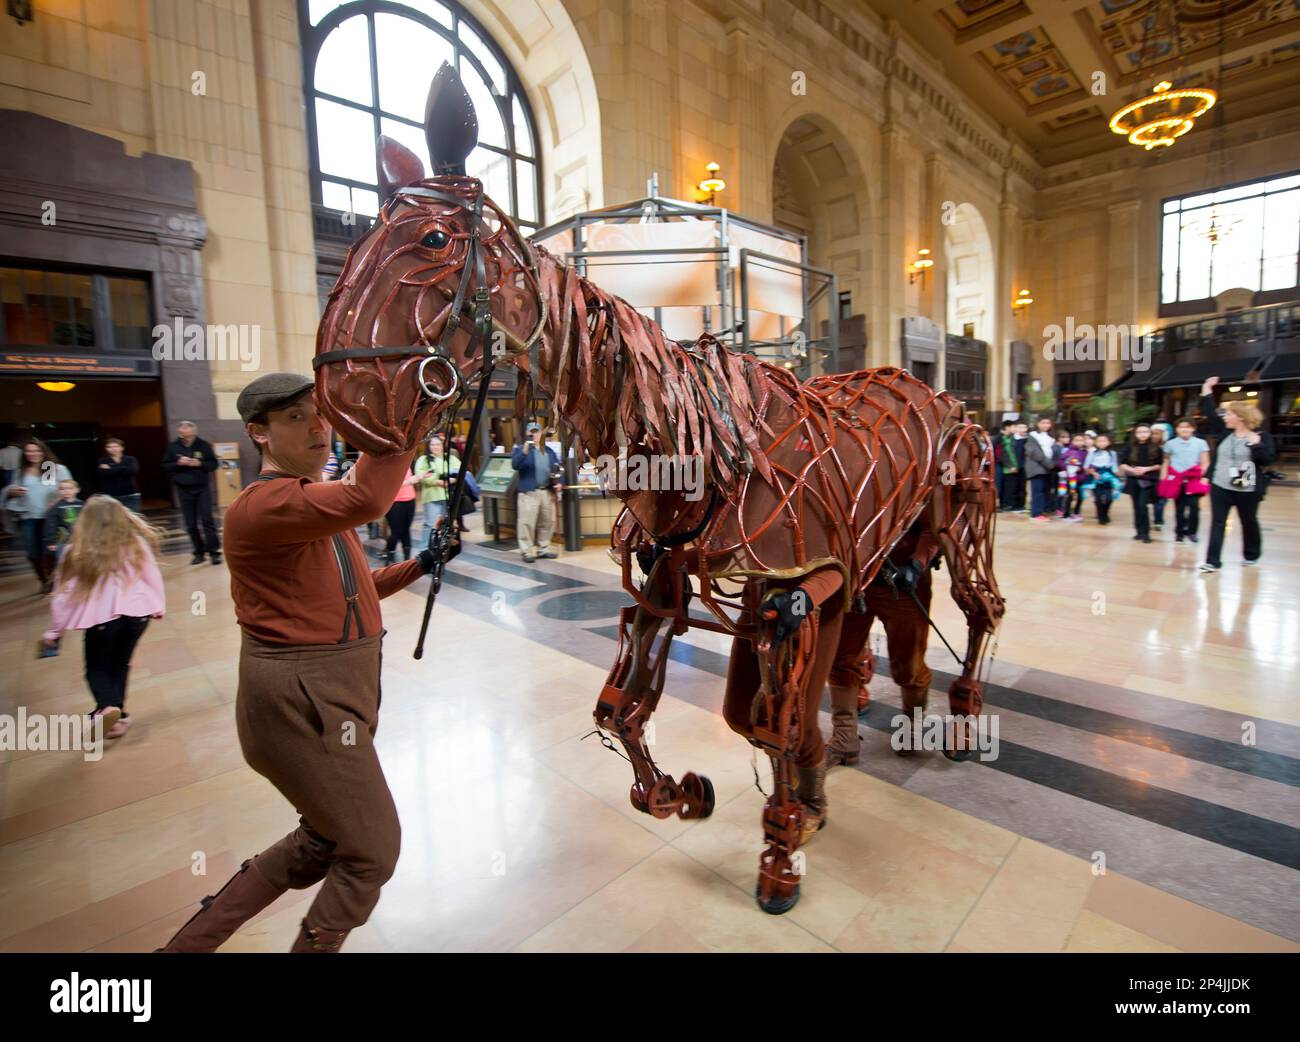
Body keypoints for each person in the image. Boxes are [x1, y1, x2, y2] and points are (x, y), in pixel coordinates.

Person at [160, 373, 441, 954]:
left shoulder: (308, 501)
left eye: (321, 414)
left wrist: (421, 564)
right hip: (301, 700)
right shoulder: (265, 504)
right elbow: (368, 498)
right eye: (295, 417)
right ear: (258, 433)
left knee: (321, 841)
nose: (318, 427)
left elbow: (354, 589)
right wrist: (409, 412)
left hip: (333, 694)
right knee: (372, 851)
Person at [41, 495, 164, 741]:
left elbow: (62, 596)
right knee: (120, 663)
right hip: (138, 615)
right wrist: (158, 605)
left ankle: (107, 707)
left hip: (102, 620)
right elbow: (153, 576)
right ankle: (119, 715)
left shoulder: (75, 551)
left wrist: (55, 631)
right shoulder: (135, 543)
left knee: (96, 668)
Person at [822, 520, 940, 768]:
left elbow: (935, 525)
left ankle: (911, 723)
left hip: (902, 580)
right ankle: (844, 737)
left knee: (909, 666)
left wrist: (917, 563)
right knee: (841, 659)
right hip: (853, 578)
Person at [1197, 377, 1277, 573]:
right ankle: (1212, 561)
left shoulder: (1262, 437)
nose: (1225, 416)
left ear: (1240, 417)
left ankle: (1251, 555)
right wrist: (1206, 389)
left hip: (1247, 487)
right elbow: (1210, 413)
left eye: (1229, 413)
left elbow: (1267, 460)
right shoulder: (1224, 433)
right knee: (1218, 522)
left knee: (1248, 521)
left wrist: (1255, 444)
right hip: (1220, 485)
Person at [3, 439, 72, 590]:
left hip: (51, 517)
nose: (33, 454)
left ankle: (53, 581)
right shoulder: (21, 471)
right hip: (29, 516)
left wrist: (57, 500)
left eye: (37, 450)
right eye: (29, 451)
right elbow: (12, 489)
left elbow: (64, 488)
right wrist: (13, 492)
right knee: (33, 552)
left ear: (43, 451)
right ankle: (43, 579)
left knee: (51, 551)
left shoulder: (50, 467)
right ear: (24, 453)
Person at [163, 421, 221, 565]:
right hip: (183, 489)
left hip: (202, 488)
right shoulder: (173, 446)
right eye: (181, 430)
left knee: (207, 520)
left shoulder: (203, 445)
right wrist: (178, 463)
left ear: (194, 432)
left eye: (186, 430)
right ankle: (199, 552)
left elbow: (213, 464)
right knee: (190, 523)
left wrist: (200, 463)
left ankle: (214, 552)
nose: (184, 433)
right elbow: (165, 466)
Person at [512, 421, 560, 562]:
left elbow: (557, 468)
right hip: (529, 493)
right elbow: (515, 465)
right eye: (531, 432)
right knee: (526, 522)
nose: (534, 435)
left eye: (536, 432)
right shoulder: (521, 449)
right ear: (527, 434)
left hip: (546, 491)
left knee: (548, 521)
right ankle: (526, 551)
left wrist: (559, 482)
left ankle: (543, 548)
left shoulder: (549, 451)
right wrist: (524, 452)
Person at [1159, 418, 1210, 544]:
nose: (1184, 429)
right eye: (1181, 427)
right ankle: (1179, 532)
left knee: (1194, 506)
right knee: (1179, 507)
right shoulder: (1170, 443)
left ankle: (1192, 532)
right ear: (1176, 429)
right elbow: (1166, 461)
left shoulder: (1201, 443)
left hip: (1193, 478)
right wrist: (1163, 479)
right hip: (1177, 478)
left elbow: (1205, 462)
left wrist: (1204, 477)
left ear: (1193, 428)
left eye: (1187, 426)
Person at [1119, 424, 1160, 543]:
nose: (1142, 434)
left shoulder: (1155, 448)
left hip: (1148, 480)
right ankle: (1138, 531)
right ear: (1135, 434)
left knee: (1143, 505)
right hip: (1133, 480)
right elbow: (1122, 463)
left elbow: (1159, 464)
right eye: (1139, 432)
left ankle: (1146, 533)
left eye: (1145, 432)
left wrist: (1146, 469)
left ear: (1150, 433)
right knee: (1136, 506)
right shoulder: (1129, 447)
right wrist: (1132, 470)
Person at [413, 433, 458, 540]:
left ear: (442, 445)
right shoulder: (423, 459)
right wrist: (438, 481)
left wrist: (451, 480)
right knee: (430, 524)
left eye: (438, 444)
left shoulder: (450, 458)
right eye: (432, 445)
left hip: (449, 497)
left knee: (448, 524)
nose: (435, 447)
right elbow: (421, 476)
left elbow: (460, 472)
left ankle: (443, 547)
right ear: (428, 446)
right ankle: (425, 547)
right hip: (432, 497)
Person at [382, 463, 419, 563]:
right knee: (396, 531)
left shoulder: (405, 462)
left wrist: (420, 477)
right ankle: (389, 560)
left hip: (410, 499)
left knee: (406, 530)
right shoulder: (386, 463)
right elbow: (388, 484)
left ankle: (407, 562)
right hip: (394, 502)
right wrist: (410, 481)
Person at [1084, 433, 1122, 526]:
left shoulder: (1112, 453)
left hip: (1108, 477)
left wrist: (1117, 475)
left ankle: (1105, 513)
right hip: (1095, 477)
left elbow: (1114, 465)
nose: (1101, 443)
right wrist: (1093, 473)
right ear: (1095, 442)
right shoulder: (1092, 453)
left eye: (1104, 441)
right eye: (1099, 441)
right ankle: (1101, 517)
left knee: (1109, 498)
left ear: (1109, 442)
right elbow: (1086, 466)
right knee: (1098, 499)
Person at [44, 478, 84, 563]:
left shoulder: (82, 505)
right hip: (63, 541)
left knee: (81, 562)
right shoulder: (56, 507)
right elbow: (51, 524)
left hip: (81, 540)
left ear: (77, 490)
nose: (67, 491)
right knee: (64, 562)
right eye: (63, 489)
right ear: (59, 491)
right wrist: (51, 541)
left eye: (70, 488)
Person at [1024, 417, 1056, 522]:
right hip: (1037, 467)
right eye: (1043, 422)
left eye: (1048, 423)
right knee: (1037, 491)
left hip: (1048, 468)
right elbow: (1033, 452)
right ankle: (1035, 513)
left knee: (1045, 491)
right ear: (1037, 423)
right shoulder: (1032, 436)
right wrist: (1048, 463)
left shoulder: (1051, 437)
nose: (1045, 425)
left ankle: (1042, 511)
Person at [98, 437, 141, 512]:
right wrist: (123, 468)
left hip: (131, 494)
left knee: (133, 517)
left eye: (116, 446)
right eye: (109, 447)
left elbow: (132, 471)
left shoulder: (130, 459)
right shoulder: (102, 460)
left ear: (122, 447)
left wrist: (112, 468)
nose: (113, 449)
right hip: (111, 495)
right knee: (114, 518)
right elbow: (104, 473)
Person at [1058, 432, 1088, 523]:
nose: (1079, 442)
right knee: (1070, 496)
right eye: (1077, 440)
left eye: (1081, 440)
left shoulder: (1085, 452)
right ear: (1072, 441)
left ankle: (1076, 511)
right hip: (1070, 479)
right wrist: (1068, 468)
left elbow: (1087, 464)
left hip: (1081, 478)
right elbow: (1061, 462)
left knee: (1081, 496)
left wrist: (1080, 468)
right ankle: (1066, 514)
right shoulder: (1067, 451)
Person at [1149, 425, 1168, 532]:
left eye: (1157, 434)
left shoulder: (1167, 446)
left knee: (1161, 500)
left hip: (1165, 477)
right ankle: (1157, 519)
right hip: (1151, 477)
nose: (1154, 436)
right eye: (1152, 434)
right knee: (1156, 500)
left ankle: (1158, 520)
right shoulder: (1147, 446)